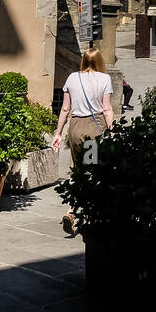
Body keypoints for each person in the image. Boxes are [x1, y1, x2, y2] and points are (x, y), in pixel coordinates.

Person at [53, 48, 114, 236]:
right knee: (92, 171)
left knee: (77, 169)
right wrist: (112, 132)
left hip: (75, 128)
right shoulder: (104, 79)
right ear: (99, 61)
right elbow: (107, 108)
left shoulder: (72, 78)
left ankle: (71, 209)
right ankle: (85, 214)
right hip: (93, 130)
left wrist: (58, 133)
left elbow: (64, 109)